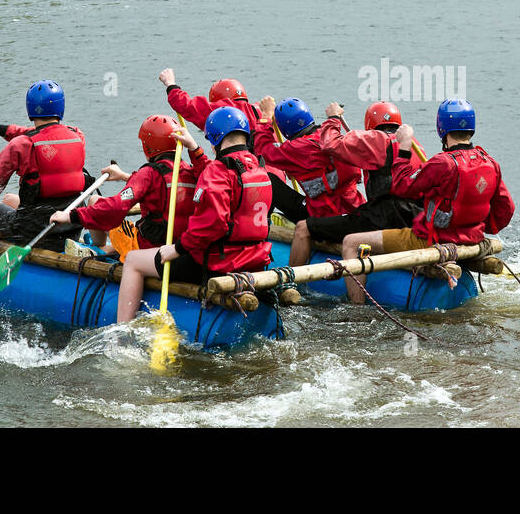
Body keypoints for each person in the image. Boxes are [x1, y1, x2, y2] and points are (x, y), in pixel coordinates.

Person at [335, 99, 515, 305]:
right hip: (472, 239)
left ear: (441, 128)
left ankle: (356, 310)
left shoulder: (441, 163)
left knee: (351, 242)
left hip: (432, 239)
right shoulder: (490, 162)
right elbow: (506, 210)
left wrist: (404, 148)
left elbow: (402, 186)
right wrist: (478, 228)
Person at [116, 108, 274, 323]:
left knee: (133, 260)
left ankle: (122, 330)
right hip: (255, 259)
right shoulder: (259, 168)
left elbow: (213, 225)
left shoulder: (217, 171)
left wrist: (177, 248)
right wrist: (195, 149)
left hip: (218, 263)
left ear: (216, 139)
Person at [0, 80, 91, 250]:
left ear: (30, 109)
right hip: (71, 223)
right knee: (8, 199)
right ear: (60, 108)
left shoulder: (20, 145)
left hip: (36, 229)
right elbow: (39, 135)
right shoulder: (77, 135)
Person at [284, 101, 422, 267]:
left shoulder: (376, 139)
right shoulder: (414, 144)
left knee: (303, 227)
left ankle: (289, 283)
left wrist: (333, 118)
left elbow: (330, 144)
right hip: (412, 216)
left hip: (382, 216)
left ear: (370, 125)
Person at [160, 69, 306, 223]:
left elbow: (186, 106)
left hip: (251, 189)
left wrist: (170, 84)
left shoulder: (227, 112)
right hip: (274, 186)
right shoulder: (262, 113)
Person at [48, 115, 208, 250]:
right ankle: (108, 250)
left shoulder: (148, 173)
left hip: (149, 246)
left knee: (94, 201)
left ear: (148, 146)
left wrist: (71, 216)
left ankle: (99, 251)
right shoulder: (192, 171)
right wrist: (124, 176)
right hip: (179, 246)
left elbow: (115, 208)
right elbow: (159, 186)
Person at [253, 96, 365, 220]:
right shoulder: (332, 135)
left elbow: (262, 147)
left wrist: (265, 116)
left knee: (268, 179)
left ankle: (266, 221)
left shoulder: (295, 149)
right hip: (355, 207)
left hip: (323, 214)